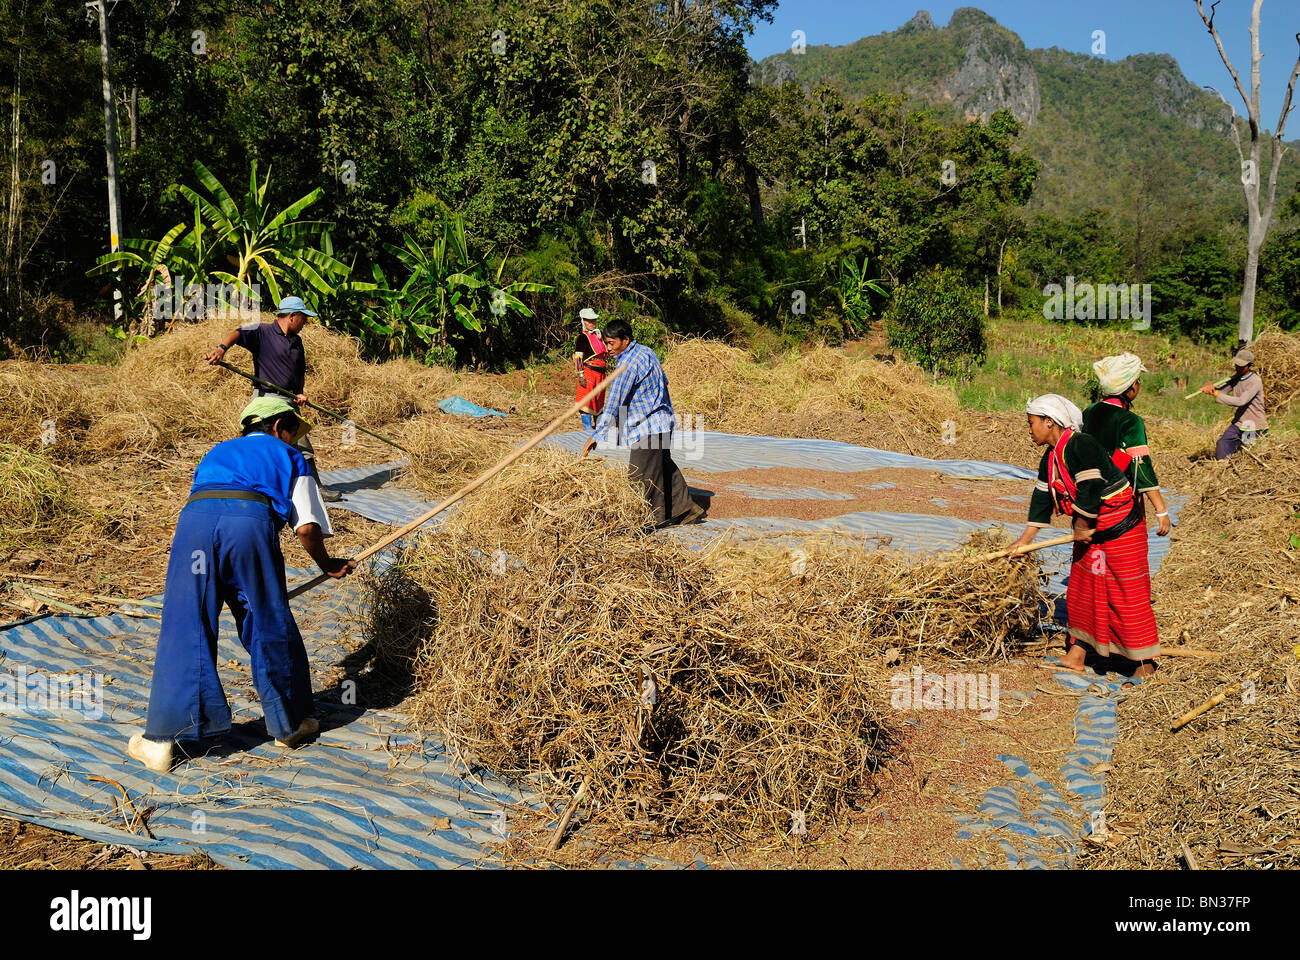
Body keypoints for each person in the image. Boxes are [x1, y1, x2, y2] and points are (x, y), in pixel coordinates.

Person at [127, 397, 356, 772]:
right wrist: (327, 563)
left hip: (194, 524)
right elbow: (307, 528)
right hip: (248, 525)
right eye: (293, 431)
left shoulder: (217, 451)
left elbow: (210, 501)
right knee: (268, 620)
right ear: (280, 425)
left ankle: (161, 740)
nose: (294, 438)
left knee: (188, 622)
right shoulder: (290, 456)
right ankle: (290, 724)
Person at [1009, 394, 1160, 680]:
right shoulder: (1051, 457)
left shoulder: (1082, 444)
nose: (1029, 429)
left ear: (1049, 422)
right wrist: (1024, 540)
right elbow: (1041, 498)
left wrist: (1080, 524)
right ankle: (1077, 655)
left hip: (1121, 528)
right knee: (1082, 589)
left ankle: (1144, 665)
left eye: (1031, 423)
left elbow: (1091, 486)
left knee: (1126, 593)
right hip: (1091, 530)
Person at [207, 295, 341, 501]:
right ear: (292, 316)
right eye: (303, 318)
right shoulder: (262, 332)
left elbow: (299, 372)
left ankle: (314, 490)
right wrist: (221, 349)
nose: (305, 323)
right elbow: (236, 333)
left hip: (289, 402)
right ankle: (251, 486)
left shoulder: (297, 342)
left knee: (301, 447)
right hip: (265, 401)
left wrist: (300, 393)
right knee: (263, 446)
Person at [581, 318, 704, 528]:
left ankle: (647, 521)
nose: (608, 348)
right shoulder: (647, 352)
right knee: (663, 466)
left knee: (641, 475)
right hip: (663, 421)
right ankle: (687, 509)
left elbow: (614, 402)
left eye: (612, 343)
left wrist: (597, 434)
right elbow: (664, 380)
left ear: (625, 340)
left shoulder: (627, 365)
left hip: (647, 426)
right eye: (607, 343)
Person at [1084, 352, 1172, 539]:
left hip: (1087, 503)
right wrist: (1161, 511)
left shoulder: (1089, 412)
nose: (1139, 386)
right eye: (1138, 381)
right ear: (1131, 386)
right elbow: (1141, 467)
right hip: (1118, 506)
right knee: (1127, 563)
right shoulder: (1130, 421)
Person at [1201, 348, 1268, 459]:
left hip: (1253, 426)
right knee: (1222, 444)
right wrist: (1211, 389)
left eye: (1241, 366)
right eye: (1236, 365)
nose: (1237, 368)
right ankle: (1221, 469)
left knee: (1247, 454)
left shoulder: (1255, 381)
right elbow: (1221, 391)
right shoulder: (1236, 378)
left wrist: (1216, 393)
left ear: (1250, 366)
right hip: (1239, 423)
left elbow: (1241, 401)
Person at [573, 307, 608, 430]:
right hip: (589, 372)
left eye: (593, 320)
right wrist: (580, 374)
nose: (592, 323)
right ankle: (587, 429)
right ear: (583, 322)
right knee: (586, 400)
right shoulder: (582, 337)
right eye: (589, 321)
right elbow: (578, 357)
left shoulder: (599, 335)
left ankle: (599, 428)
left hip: (601, 374)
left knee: (598, 400)